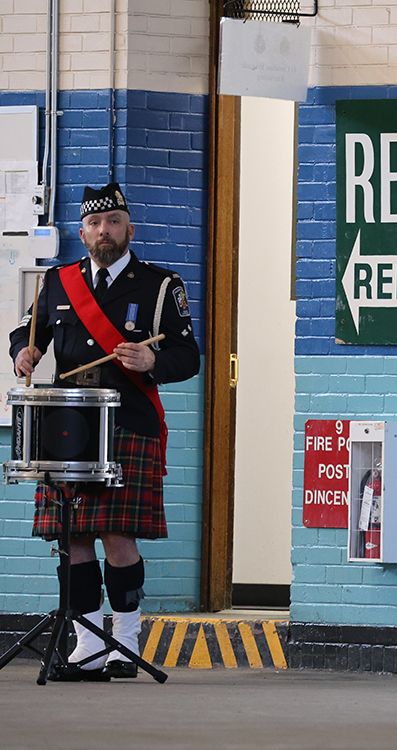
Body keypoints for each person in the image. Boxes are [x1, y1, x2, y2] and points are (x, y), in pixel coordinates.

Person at [9, 182, 200, 680]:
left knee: (118, 536)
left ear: (128, 229)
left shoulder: (159, 286)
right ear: (82, 232)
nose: (103, 231)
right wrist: (22, 354)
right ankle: (87, 646)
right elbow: (24, 332)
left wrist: (153, 358)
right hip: (67, 425)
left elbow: (189, 356)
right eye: (94, 223)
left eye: (113, 221)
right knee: (72, 538)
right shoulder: (57, 282)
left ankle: (126, 643)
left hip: (128, 422)